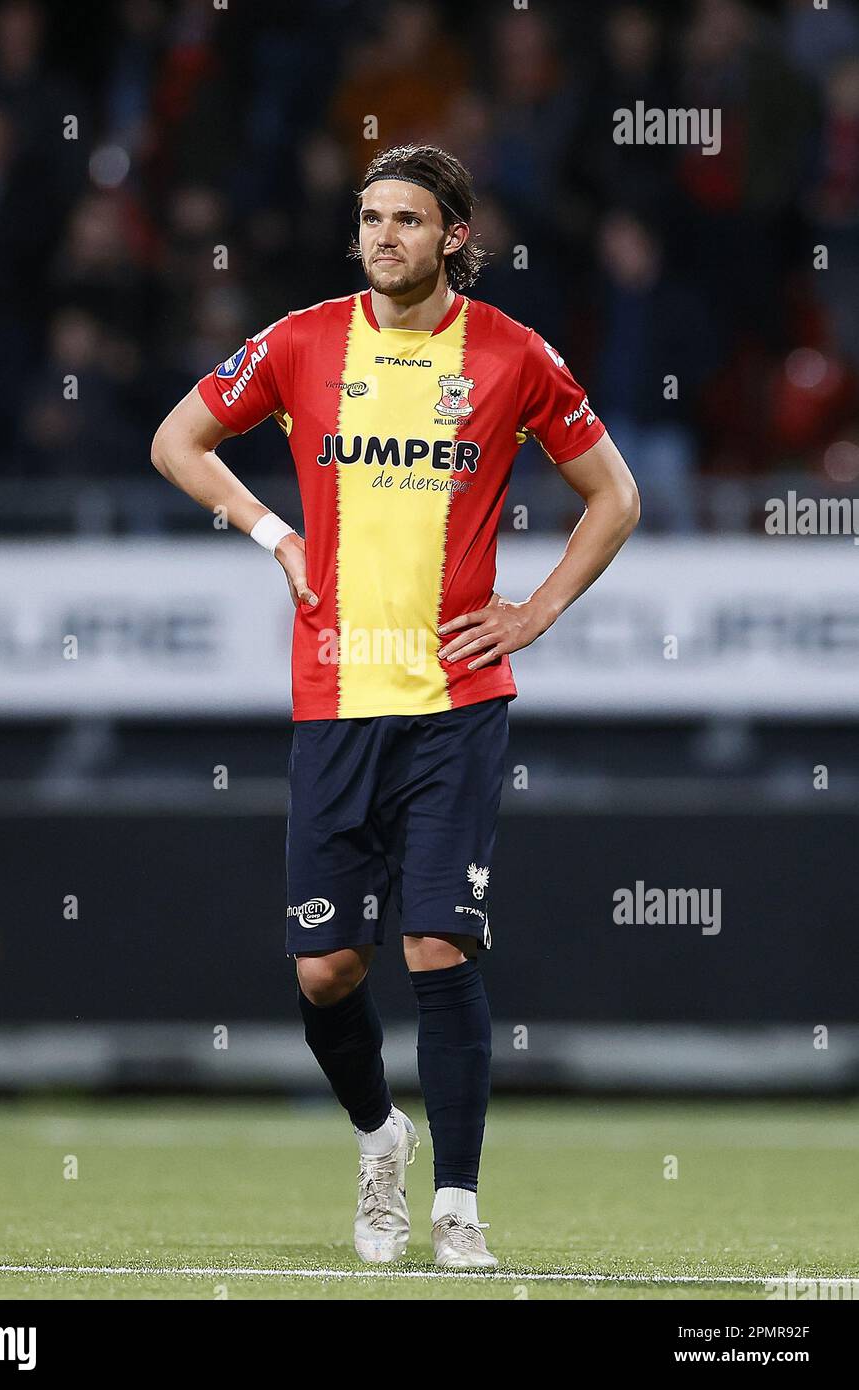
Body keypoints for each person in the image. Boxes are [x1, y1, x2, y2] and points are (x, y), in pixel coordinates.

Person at [151, 144, 639, 1269]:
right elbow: (178, 438)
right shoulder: (303, 339)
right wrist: (273, 532)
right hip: (333, 696)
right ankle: (380, 1138)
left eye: (407, 220)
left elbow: (614, 493)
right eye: (370, 217)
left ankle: (458, 1206)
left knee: (435, 942)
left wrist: (536, 611)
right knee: (326, 970)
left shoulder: (513, 356)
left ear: (453, 236)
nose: (382, 237)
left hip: (457, 700)